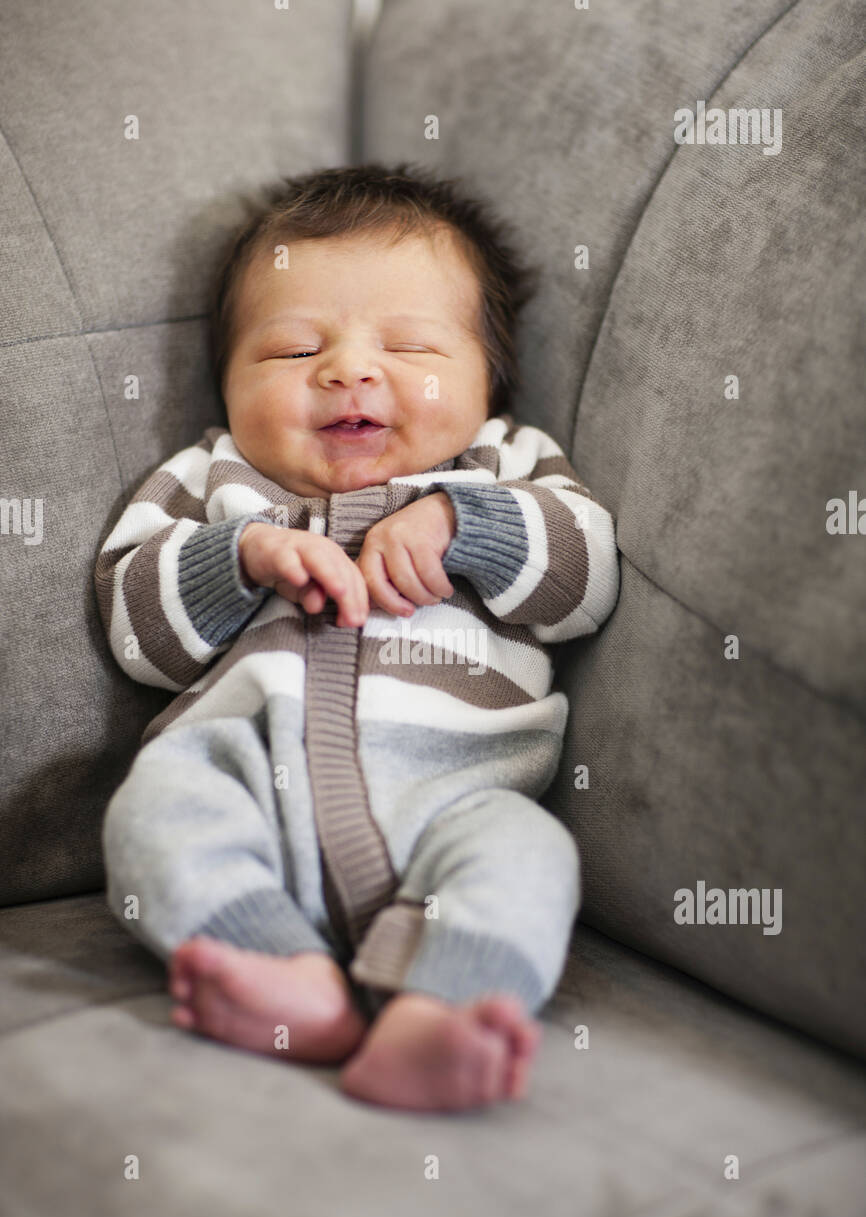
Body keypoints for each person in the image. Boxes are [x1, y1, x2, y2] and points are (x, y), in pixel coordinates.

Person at [94, 161, 620, 1112]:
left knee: (533, 856)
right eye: (295, 351)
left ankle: (437, 1010)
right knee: (154, 807)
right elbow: (138, 631)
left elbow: (585, 580)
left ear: (488, 382)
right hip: (247, 785)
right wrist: (244, 558)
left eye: (410, 345)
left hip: (459, 802)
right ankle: (284, 973)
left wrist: (467, 529)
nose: (347, 369)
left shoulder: (505, 464)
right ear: (224, 385)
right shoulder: (212, 481)